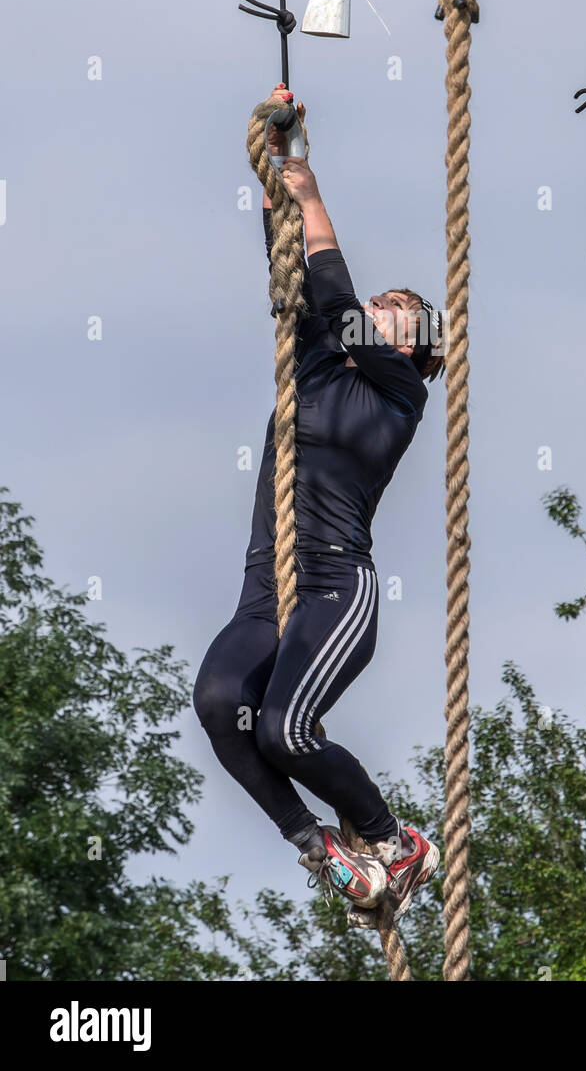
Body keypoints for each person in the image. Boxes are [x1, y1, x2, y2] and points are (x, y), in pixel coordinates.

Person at [193, 84, 446, 928]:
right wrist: (277, 164)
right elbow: (297, 277)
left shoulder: (399, 392)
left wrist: (312, 190)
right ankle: (320, 848)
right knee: (220, 703)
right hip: (269, 584)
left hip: (335, 588)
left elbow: (336, 300)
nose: (383, 308)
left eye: (399, 311)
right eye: (386, 302)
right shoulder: (312, 363)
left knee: (286, 731)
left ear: (413, 345)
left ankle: (392, 838)